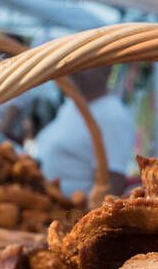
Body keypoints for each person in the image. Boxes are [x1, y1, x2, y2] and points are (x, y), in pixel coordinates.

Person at [34, 65, 135, 197]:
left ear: (107, 69)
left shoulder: (113, 115)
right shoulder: (71, 105)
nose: (76, 70)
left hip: (69, 213)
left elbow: (111, 187)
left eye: (86, 65)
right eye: (76, 63)